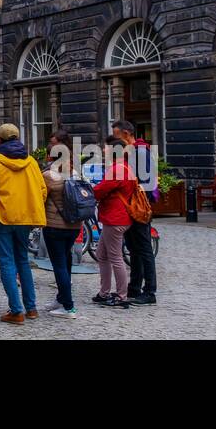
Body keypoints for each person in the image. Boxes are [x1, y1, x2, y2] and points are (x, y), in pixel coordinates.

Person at [0, 123, 47, 324]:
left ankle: (16, 310)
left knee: (7, 262)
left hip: (2, 217)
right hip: (25, 217)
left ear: (0, 139)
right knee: (23, 260)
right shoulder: (32, 162)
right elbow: (42, 190)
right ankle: (31, 308)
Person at [113, 118, 158, 305]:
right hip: (131, 206)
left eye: (116, 136)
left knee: (144, 249)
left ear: (126, 134)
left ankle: (150, 291)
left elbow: (146, 181)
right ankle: (134, 287)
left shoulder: (139, 151)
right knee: (134, 248)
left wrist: (138, 204)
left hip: (137, 207)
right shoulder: (133, 151)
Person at [41, 129, 82, 319]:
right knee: (66, 262)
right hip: (73, 225)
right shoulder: (74, 172)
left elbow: (40, 198)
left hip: (54, 225)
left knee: (58, 265)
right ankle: (61, 298)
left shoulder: (49, 176)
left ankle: (68, 306)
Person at [93, 136, 136, 308]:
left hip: (115, 217)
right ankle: (104, 292)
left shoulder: (117, 169)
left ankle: (121, 296)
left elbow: (101, 189)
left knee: (115, 258)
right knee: (101, 255)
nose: (103, 151)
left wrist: (91, 190)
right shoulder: (125, 167)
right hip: (117, 216)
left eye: (106, 148)